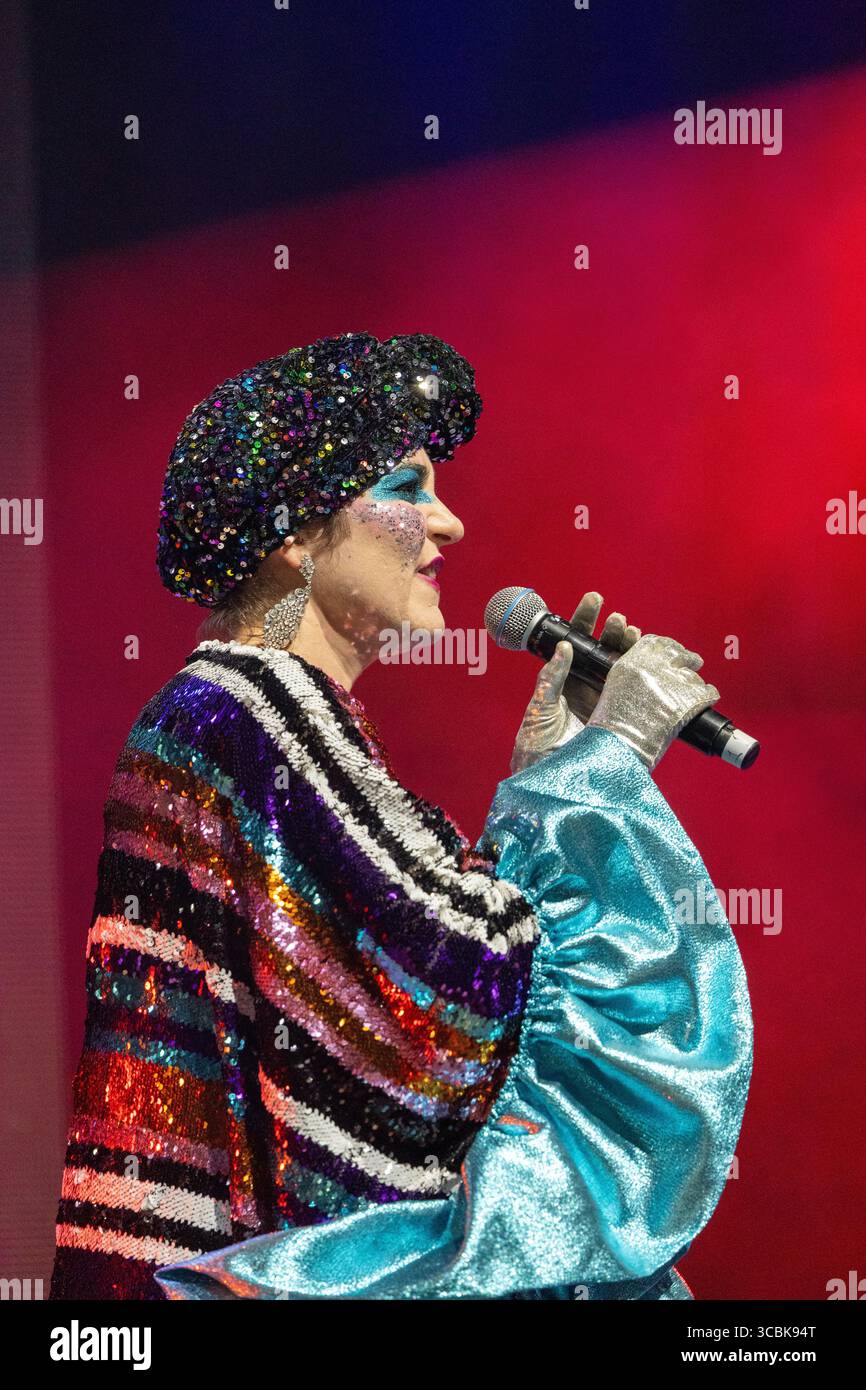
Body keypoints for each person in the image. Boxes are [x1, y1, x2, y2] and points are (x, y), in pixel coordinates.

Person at [48, 331, 752, 1302]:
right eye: (407, 487)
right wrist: (596, 782)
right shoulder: (253, 707)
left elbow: (408, 966)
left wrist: (547, 777)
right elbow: (453, 1007)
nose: (449, 524)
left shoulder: (232, 713)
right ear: (295, 532)